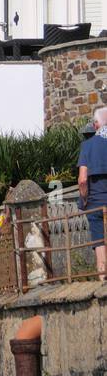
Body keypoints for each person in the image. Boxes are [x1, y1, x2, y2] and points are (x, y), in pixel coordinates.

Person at [78, 107, 107, 280]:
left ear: (96, 125)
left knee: (99, 238)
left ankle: (103, 277)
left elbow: (82, 179)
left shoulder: (87, 146)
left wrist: (84, 198)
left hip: (96, 201)